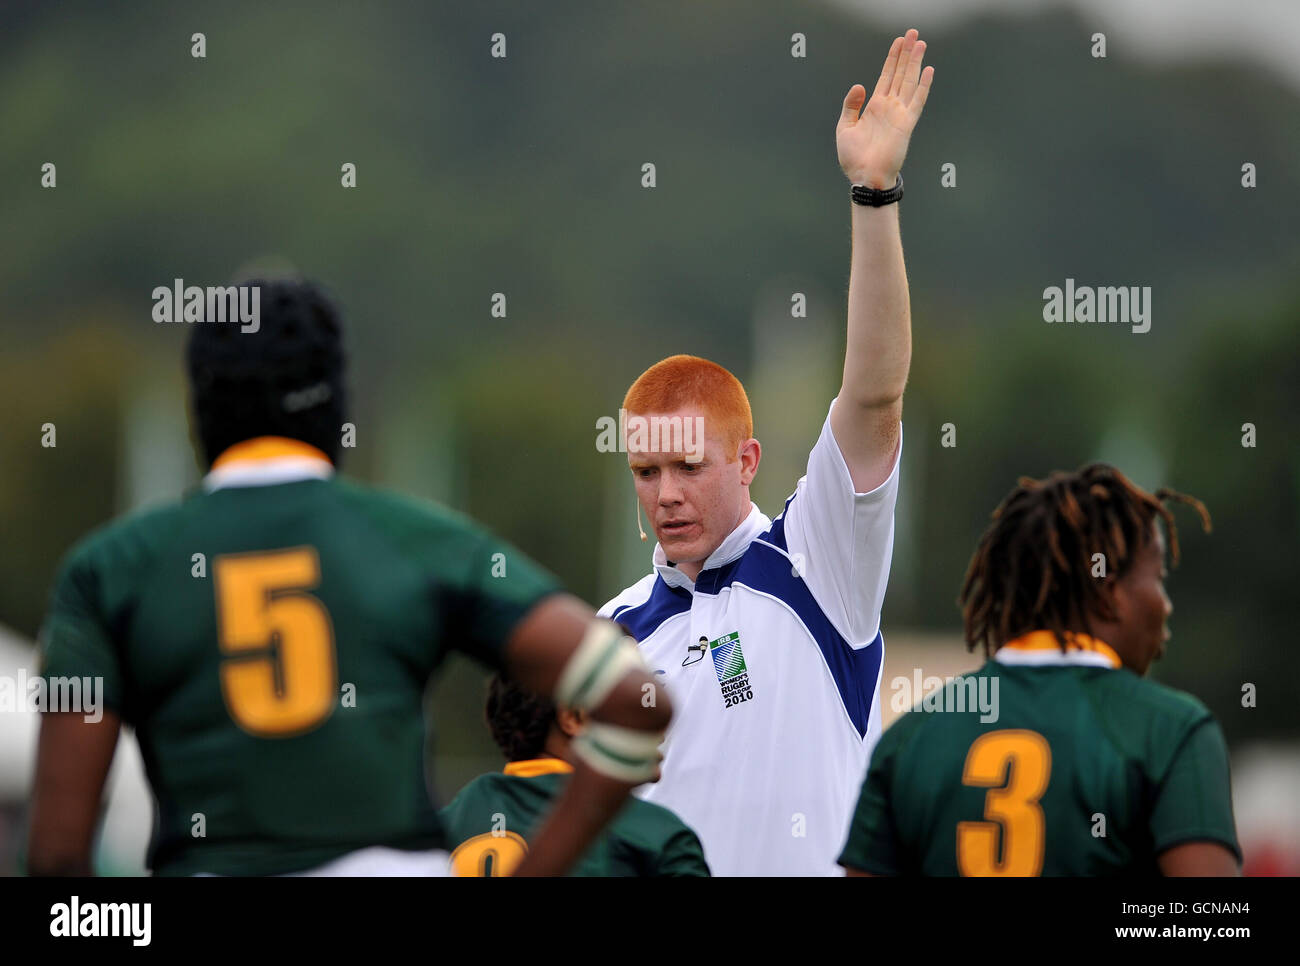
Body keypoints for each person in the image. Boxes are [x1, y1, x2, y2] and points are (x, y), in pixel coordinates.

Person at [27, 277, 669, 876]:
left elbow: (57, 855)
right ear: (336, 405)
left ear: (200, 411)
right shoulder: (416, 539)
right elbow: (636, 702)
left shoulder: (108, 569)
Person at [597, 30, 935, 875]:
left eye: (688, 468)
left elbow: (874, 391)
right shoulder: (608, 634)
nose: (664, 494)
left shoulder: (819, 559)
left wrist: (875, 193)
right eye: (646, 472)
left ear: (748, 462)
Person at [838, 464, 1241, 876]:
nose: (1166, 605)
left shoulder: (909, 741)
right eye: (1158, 578)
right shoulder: (1172, 731)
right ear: (1108, 591)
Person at [441, 674, 710, 876]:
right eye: (628, 698)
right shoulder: (654, 836)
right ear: (574, 717)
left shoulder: (440, 829)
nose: (647, 712)